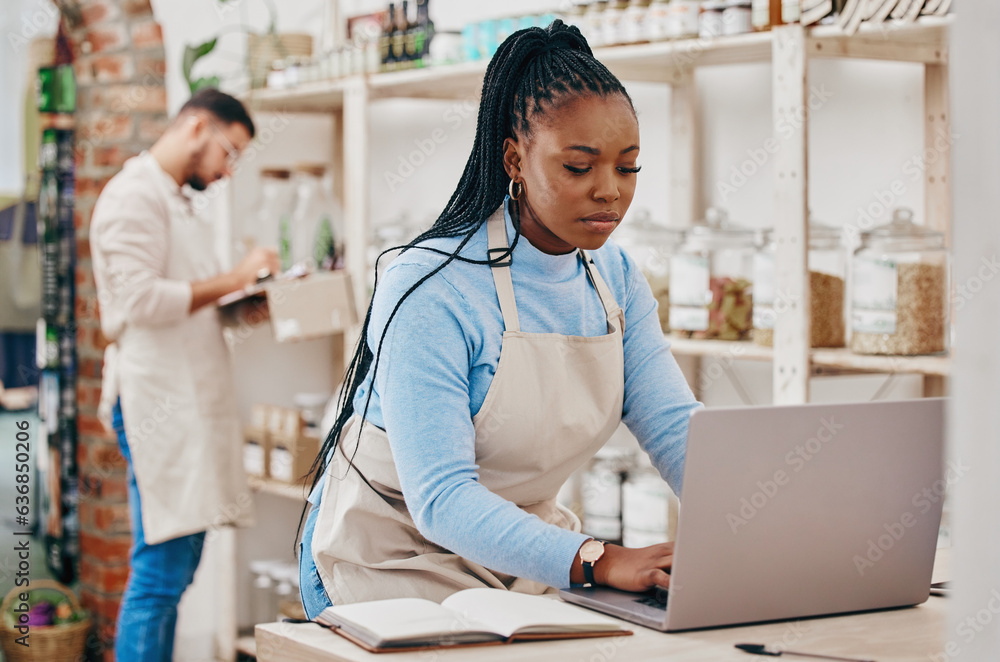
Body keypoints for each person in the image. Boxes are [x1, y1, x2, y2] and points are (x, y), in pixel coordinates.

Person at [299, 20, 701, 615]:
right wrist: (601, 559)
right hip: (391, 558)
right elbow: (441, 499)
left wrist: (755, 521)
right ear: (515, 158)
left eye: (627, 167)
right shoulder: (430, 286)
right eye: (578, 166)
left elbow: (677, 430)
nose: (609, 191)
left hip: (522, 553)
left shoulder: (614, 279)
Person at [90, 88, 279, 661]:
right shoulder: (131, 197)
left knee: (175, 570)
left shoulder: (172, 200)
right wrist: (235, 275)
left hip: (184, 400)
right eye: (230, 152)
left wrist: (243, 303)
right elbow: (141, 303)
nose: (228, 171)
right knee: (160, 573)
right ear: (198, 127)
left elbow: (183, 301)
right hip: (155, 404)